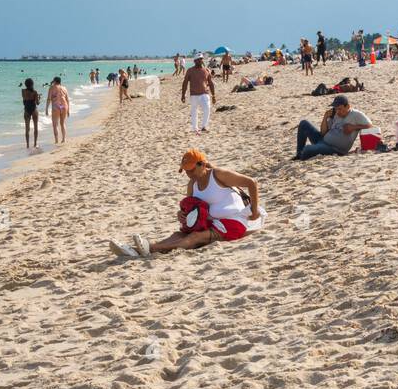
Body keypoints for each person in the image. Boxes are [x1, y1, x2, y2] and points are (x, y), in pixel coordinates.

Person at [109, 150, 264, 259]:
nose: (189, 174)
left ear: (202, 165)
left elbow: (252, 183)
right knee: (178, 235)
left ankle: (151, 248)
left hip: (233, 222)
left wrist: (254, 210)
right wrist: (181, 214)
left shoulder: (218, 175)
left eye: (191, 170)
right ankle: (137, 250)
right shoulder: (192, 184)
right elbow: (189, 207)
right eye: (186, 171)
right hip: (209, 222)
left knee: (195, 237)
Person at [295, 94, 371, 160]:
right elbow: (323, 133)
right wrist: (325, 118)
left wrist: (353, 127)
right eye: (336, 109)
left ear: (348, 106)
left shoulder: (355, 114)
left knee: (308, 149)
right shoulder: (335, 114)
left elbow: (369, 125)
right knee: (304, 123)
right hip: (323, 141)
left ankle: (304, 153)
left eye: (340, 109)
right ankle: (299, 155)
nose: (337, 111)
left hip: (335, 149)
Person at [180, 56, 216, 133]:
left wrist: (213, 95)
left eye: (201, 59)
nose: (200, 61)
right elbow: (185, 82)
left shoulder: (206, 70)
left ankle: (204, 126)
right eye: (198, 60)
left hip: (204, 94)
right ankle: (195, 128)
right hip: (194, 95)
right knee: (194, 111)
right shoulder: (190, 70)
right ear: (195, 61)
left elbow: (211, 83)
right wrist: (183, 95)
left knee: (207, 109)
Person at [46, 76, 70, 144]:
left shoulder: (52, 88)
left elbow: (49, 99)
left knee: (55, 124)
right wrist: (68, 110)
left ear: (54, 81)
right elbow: (67, 99)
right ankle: (64, 139)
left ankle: (56, 141)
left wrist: (46, 109)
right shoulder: (64, 88)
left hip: (56, 106)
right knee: (62, 123)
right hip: (64, 106)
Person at [22, 78, 41, 148]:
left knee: (27, 129)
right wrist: (39, 97)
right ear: (32, 84)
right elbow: (37, 103)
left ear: (25, 84)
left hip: (26, 110)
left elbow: (24, 101)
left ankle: (27, 145)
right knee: (35, 127)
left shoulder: (23, 91)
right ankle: (35, 144)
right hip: (34, 110)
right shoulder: (35, 92)